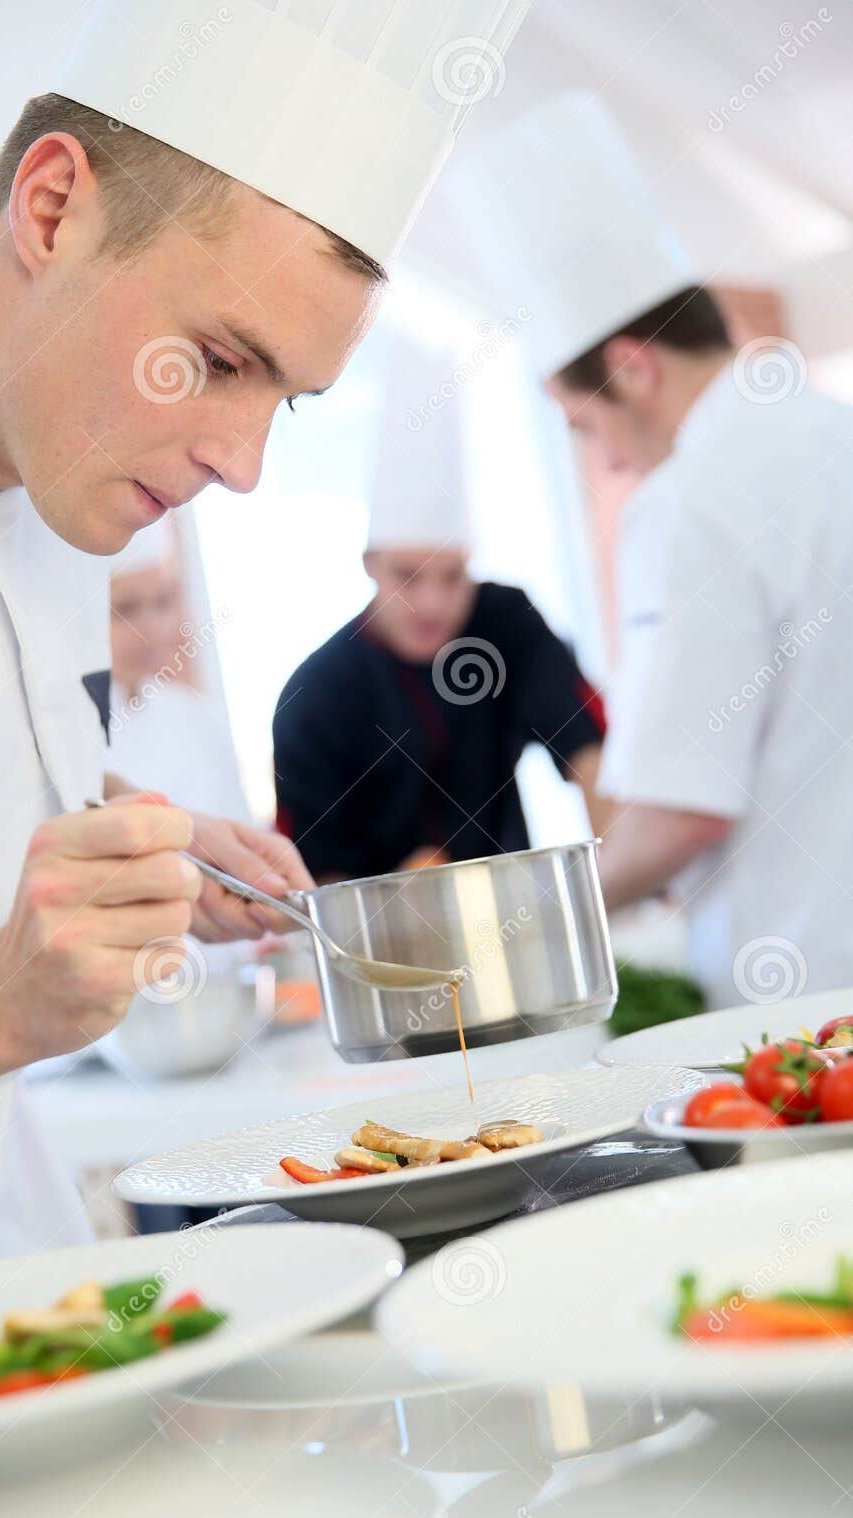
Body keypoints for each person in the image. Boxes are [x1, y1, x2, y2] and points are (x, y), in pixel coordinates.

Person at [0, 0, 525, 1302]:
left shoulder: (54, 457)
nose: (241, 465)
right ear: (53, 208)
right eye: (219, 360)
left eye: (284, 402)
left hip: (15, 1315)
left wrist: (145, 839)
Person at [474, 91, 853, 1005]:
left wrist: (524, 938)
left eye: (585, 424)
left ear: (632, 367)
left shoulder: (689, 500)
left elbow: (683, 810)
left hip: (811, 998)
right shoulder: (831, 431)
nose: (606, 460)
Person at [273, 348, 606, 882]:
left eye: (453, 577)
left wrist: (618, 877)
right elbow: (312, 875)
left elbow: (589, 754)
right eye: (407, 576)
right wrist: (402, 896)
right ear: (368, 564)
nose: (432, 604)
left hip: (515, 905)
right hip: (384, 931)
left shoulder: (506, 622)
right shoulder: (314, 695)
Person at [106, 522, 249, 822]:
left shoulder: (196, 715)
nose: (151, 629)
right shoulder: (69, 728)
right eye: (126, 609)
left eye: (162, 602)